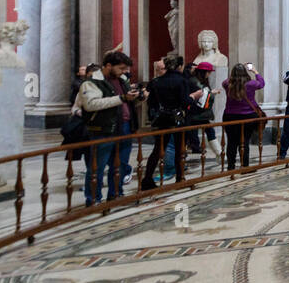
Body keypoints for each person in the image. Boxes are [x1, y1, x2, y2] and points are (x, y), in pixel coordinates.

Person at [76, 51, 142, 205]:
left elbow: (126, 102)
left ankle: (116, 194)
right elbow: (91, 104)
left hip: (124, 126)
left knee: (119, 165)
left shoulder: (122, 80)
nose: (125, 71)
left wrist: (138, 98)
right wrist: (122, 98)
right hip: (103, 129)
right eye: (121, 68)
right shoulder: (92, 82)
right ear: (108, 66)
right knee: (97, 167)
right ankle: (93, 199)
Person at [142, 53, 202, 189]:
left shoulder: (156, 82)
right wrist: (194, 96)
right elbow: (185, 101)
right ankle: (180, 178)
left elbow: (151, 103)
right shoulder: (181, 81)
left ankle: (147, 179)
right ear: (179, 66)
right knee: (180, 149)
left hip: (162, 118)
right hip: (178, 118)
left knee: (157, 150)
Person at [222, 63, 265, 168]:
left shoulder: (227, 83)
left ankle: (231, 166)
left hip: (230, 116)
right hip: (248, 116)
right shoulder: (251, 84)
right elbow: (262, 83)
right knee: (245, 141)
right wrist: (255, 71)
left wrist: (235, 76)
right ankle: (245, 166)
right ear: (245, 73)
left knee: (231, 142)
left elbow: (226, 82)